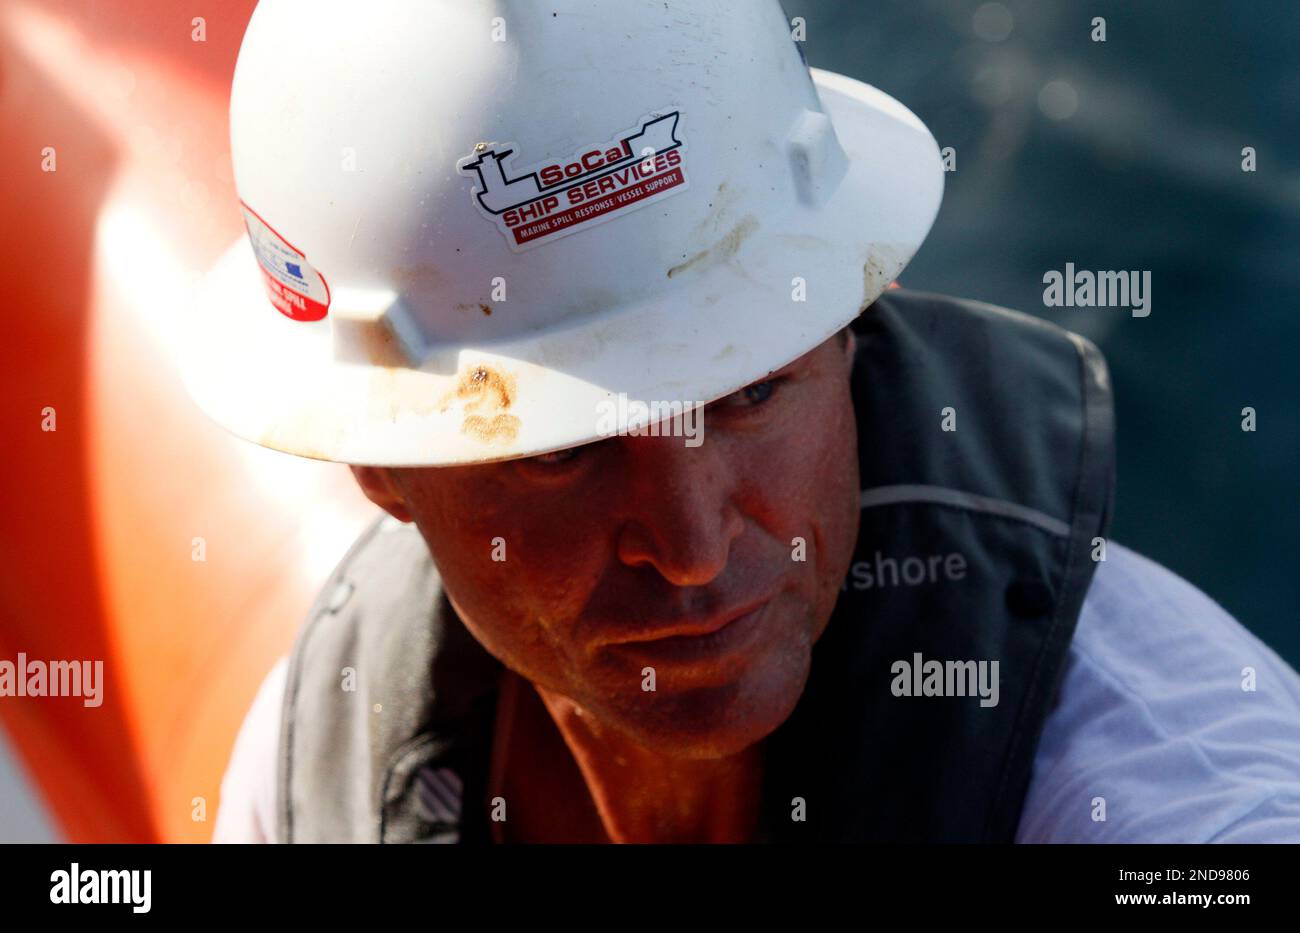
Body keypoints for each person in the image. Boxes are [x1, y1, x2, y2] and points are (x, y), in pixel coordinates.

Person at [193, 1, 1300, 843]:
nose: (692, 546)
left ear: (847, 326)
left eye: (749, 395)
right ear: (380, 468)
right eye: (562, 454)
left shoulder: (1168, 794)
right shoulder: (312, 763)